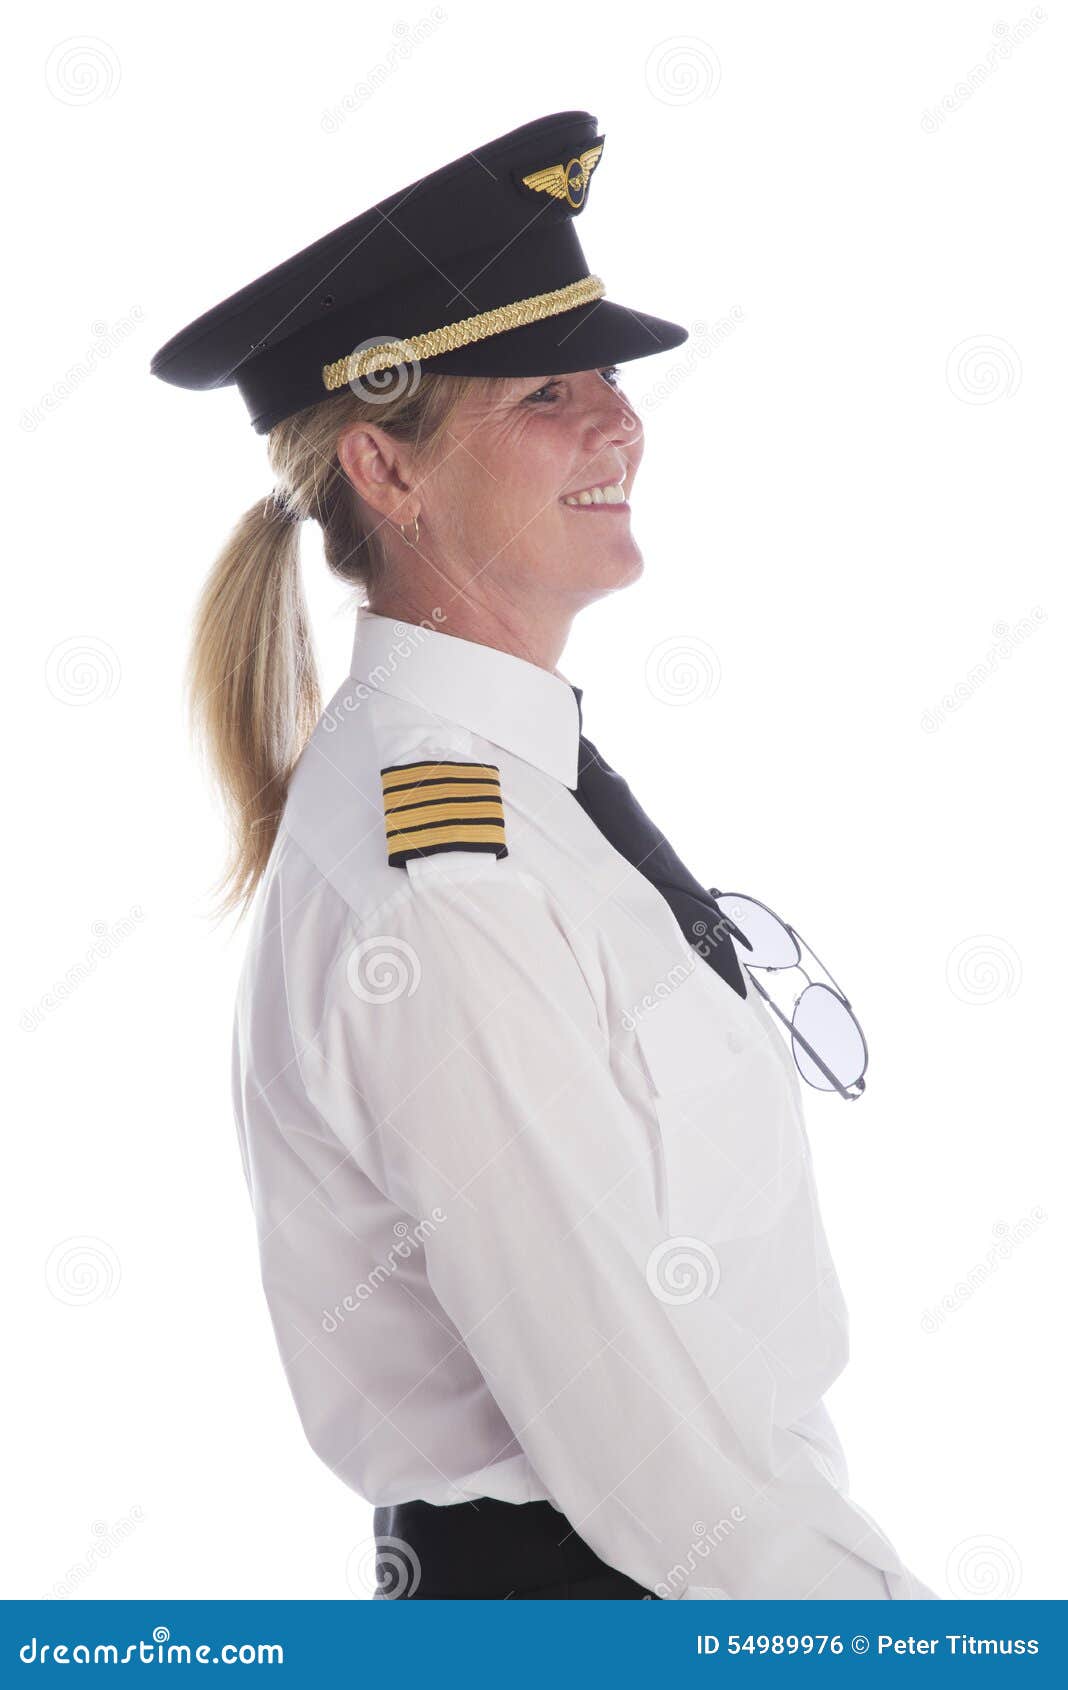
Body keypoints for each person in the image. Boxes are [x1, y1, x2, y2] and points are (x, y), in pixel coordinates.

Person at [152, 110, 935, 1601]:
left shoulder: (518, 797)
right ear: (387, 463)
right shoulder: (444, 874)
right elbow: (643, 1433)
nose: (619, 422)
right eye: (548, 390)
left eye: (614, 377)